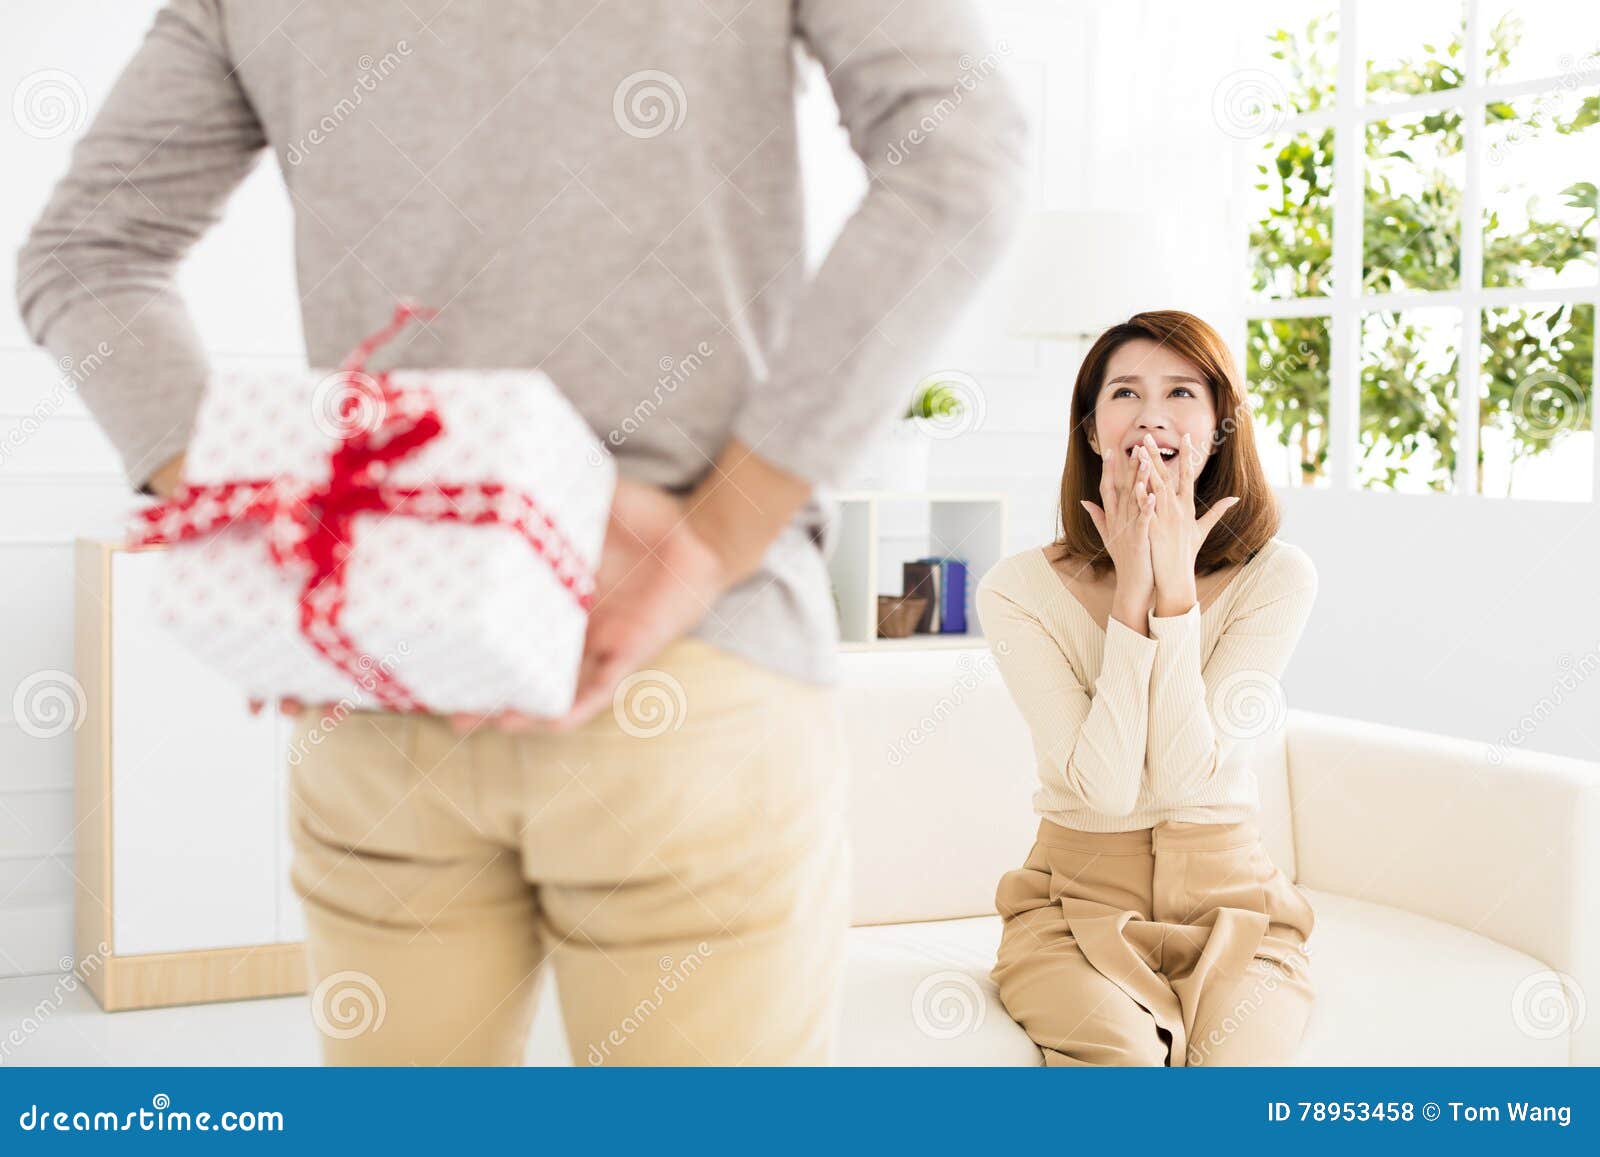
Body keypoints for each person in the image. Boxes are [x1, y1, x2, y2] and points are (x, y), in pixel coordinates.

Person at [16, 0, 1029, 1064]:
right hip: (687, 677)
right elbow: (961, 154)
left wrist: (288, 530)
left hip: (393, 697)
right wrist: (714, 535)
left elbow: (83, 256)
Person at [975, 310, 1319, 1066]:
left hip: (1240, 912)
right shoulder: (1018, 590)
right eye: (1125, 393)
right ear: (1093, 430)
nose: (1152, 416)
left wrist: (1176, 598)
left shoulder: (1277, 578)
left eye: (1182, 393)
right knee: (1124, 1066)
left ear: (1221, 422)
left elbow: (1189, 775)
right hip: (1072, 910)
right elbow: (1101, 791)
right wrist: (1134, 589)